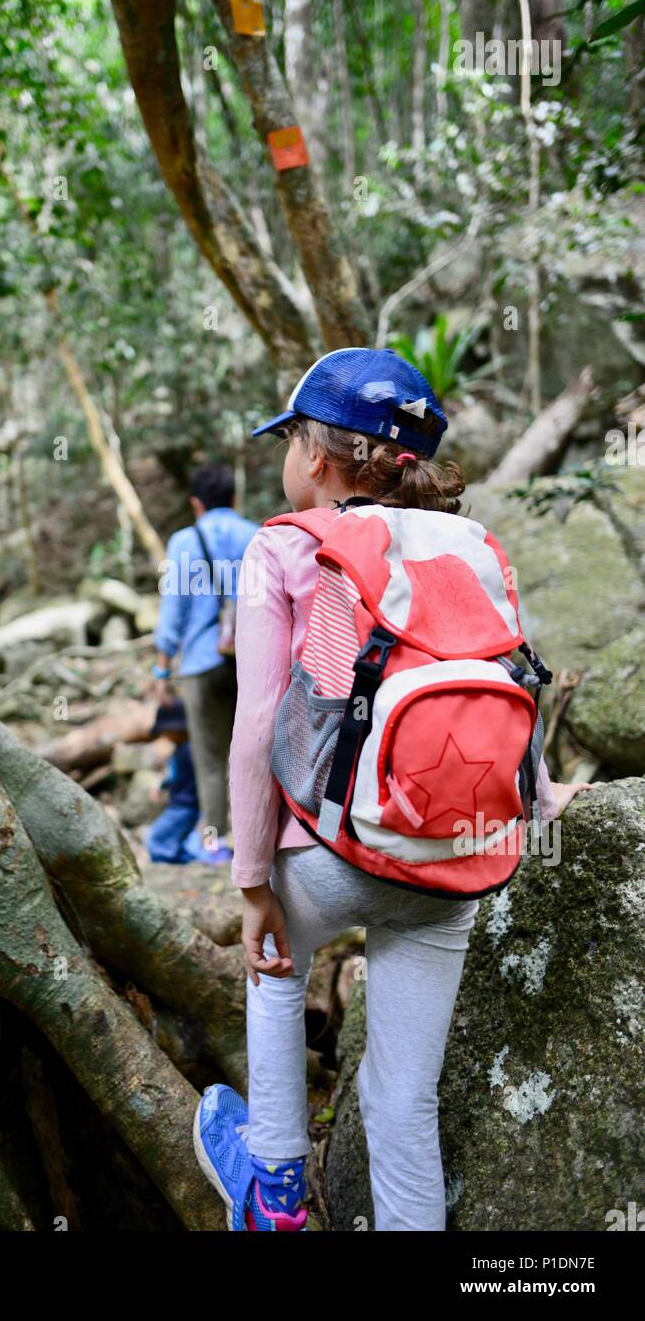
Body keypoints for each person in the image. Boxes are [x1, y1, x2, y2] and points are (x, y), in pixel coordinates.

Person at [192, 347, 593, 1232]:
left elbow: (257, 727)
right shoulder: (473, 543)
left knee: (274, 967)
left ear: (321, 458)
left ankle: (274, 1190)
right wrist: (542, 796)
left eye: (291, 439)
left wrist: (252, 881)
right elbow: (506, 684)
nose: (286, 458)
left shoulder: (283, 545)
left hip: (333, 850)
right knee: (404, 1101)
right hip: (457, 860)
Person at [154, 463, 258, 865]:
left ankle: (214, 844)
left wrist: (162, 670)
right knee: (254, 753)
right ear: (234, 498)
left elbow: (172, 611)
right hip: (251, 660)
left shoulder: (183, 542)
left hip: (200, 662)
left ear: (196, 504)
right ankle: (259, 840)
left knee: (211, 759)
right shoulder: (256, 535)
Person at [146, 698, 200, 865]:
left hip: (186, 805)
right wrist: (163, 786)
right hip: (180, 803)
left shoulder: (190, 751)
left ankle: (166, 860)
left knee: (156, 838)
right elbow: (176, 776)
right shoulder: (180, 750)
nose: (164, 736)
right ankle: (182, 857)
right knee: (173, 836)